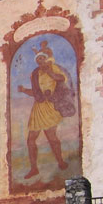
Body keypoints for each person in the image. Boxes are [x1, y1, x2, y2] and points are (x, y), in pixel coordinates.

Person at [18, 42, 69, 179]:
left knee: (51, 137)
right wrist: (23, 90)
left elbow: (61, 78)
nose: (39, 61)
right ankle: (34, 168)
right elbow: (36, 92)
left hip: (50, 106)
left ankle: (60, 162)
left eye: (42, 58)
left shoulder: (53, 68)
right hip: (38, 107)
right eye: (38, 59)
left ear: (46, 58)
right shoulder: (35, 73)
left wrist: (50, 72)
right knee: (30, 140)